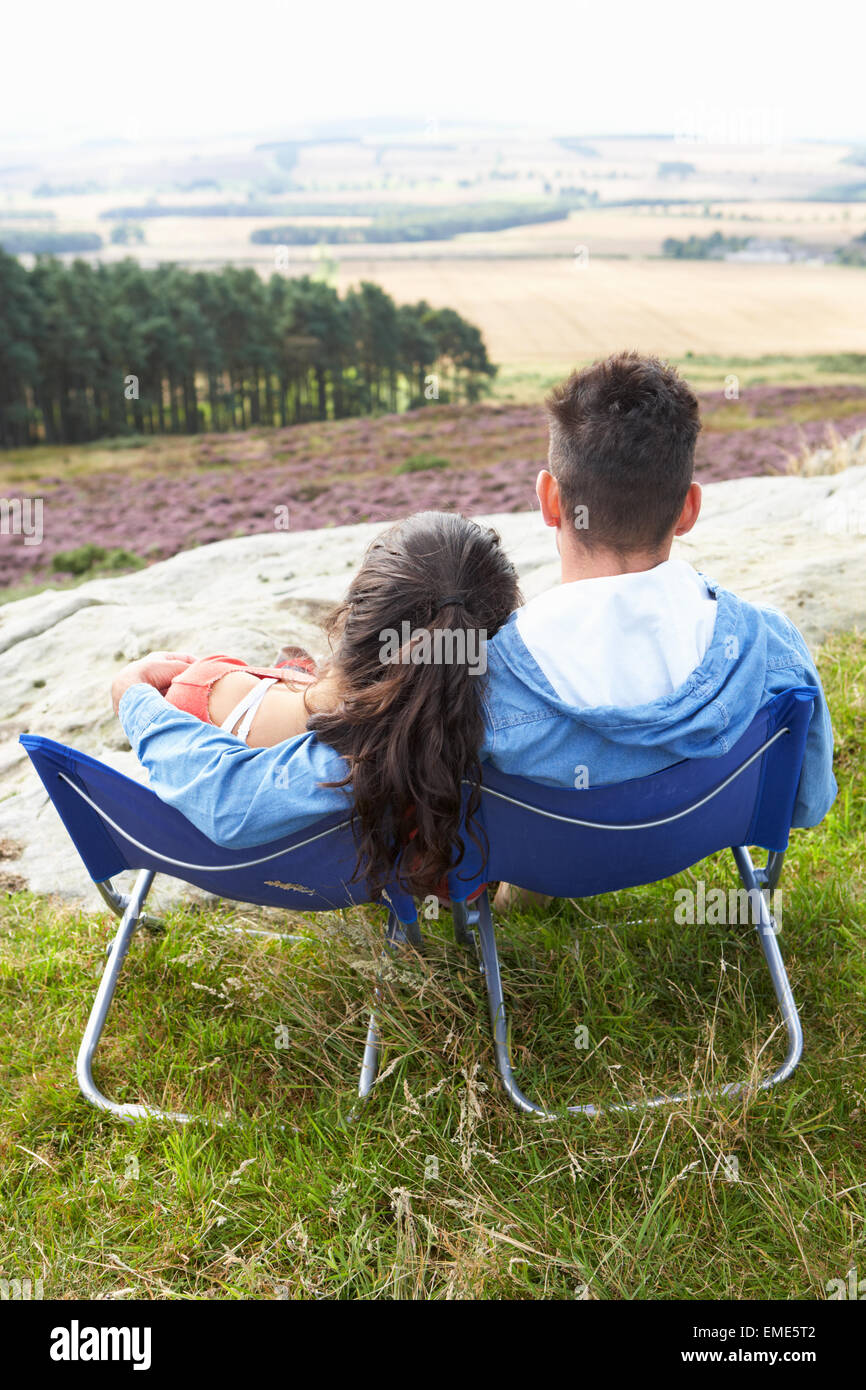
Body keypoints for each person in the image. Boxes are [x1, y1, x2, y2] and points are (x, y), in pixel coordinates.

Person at [112, 353, 836, 905]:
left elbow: (242, 804)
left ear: (549, 500)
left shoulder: (461, 691)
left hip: (543, 869)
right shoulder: (771, 647)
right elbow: (805, 802)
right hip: (680, 851)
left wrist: (137, 702)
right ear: (689, 509)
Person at [131, 512, 520, 897]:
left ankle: (301, 672)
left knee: (297, 671)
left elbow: (228, 803)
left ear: (352, 615)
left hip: (239, 874)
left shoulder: (200, 691)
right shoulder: (470, 752)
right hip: (381, 882)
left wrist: (132, 695)